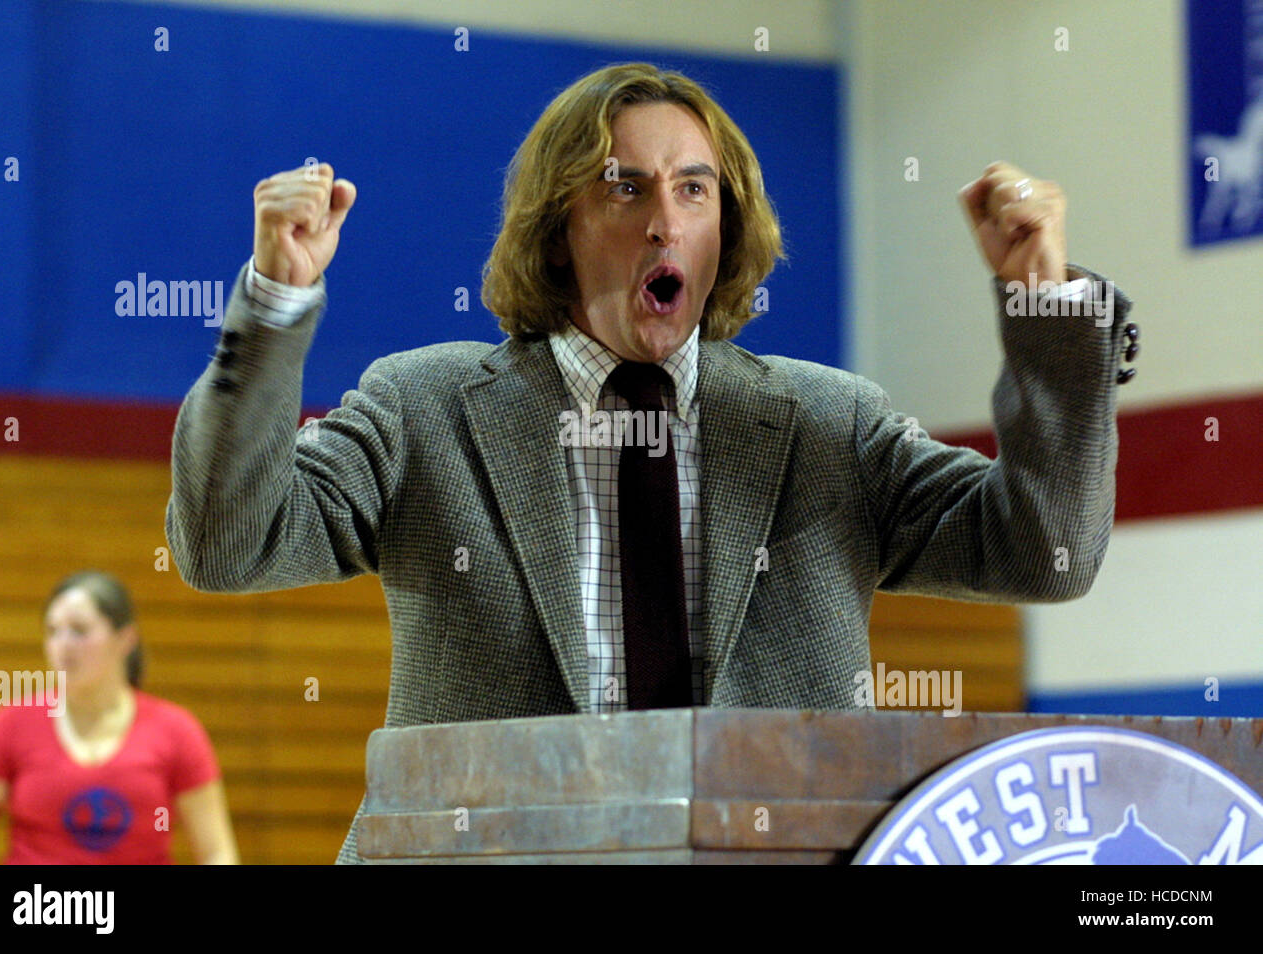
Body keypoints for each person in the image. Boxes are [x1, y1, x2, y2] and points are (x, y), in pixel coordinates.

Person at [164, 62, 1137, 864]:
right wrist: (275, 303)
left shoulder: (828, 425)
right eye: (624, 187)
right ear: (558, 229)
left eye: (693, 189)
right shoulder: (424, 408)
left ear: (725, 229)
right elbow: (229, 544)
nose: (664, 220)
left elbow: (1044, 554)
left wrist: (1046, 308)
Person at [0, 571, 238, 864]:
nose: (63, 644)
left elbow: (217, 853)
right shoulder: (13, 724)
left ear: (125, 639)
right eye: (53, 631)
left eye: (79, 630)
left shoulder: (175, 730)